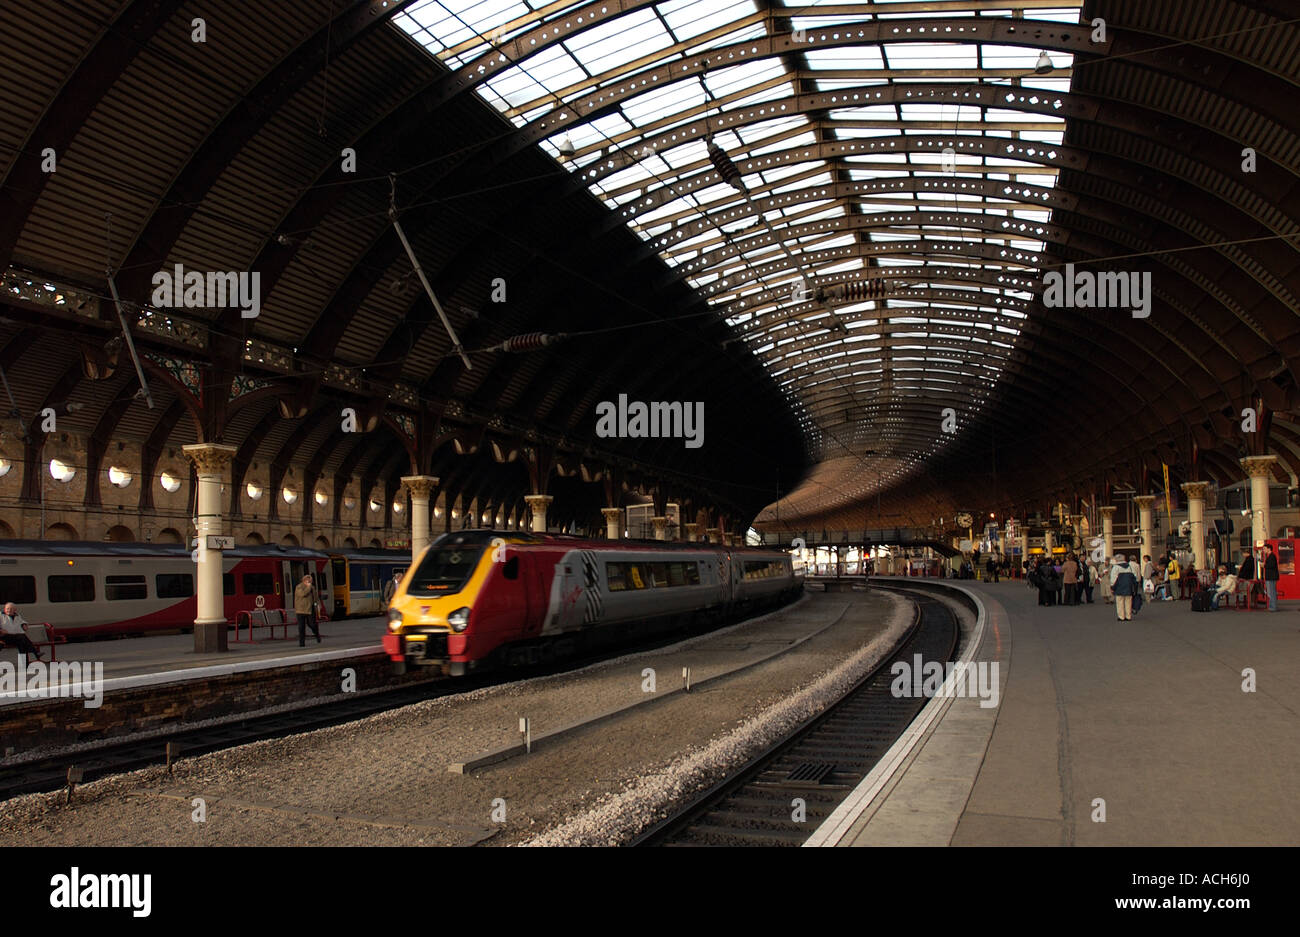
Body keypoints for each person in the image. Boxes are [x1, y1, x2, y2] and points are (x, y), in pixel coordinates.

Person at [1110, 553, 1140, 621]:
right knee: (1128, 601)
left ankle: (1121, 616)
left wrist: (1112, 587)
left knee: (1120, 602)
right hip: (1128, 587)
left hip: (1119, 587)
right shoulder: (1129, 566)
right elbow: (1134, 576)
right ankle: (1128, 616)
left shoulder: (1116, 567)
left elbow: (1113, 579)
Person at [294, 574, 321, 646]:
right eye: (308, 581)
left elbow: (315, 597)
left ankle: (317, 634)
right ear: (304, 581)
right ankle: (302, 643)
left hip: (310, 609)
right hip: (300, 610)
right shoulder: (299, 587)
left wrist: (317, 605)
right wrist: (308, 587)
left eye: (310, 581)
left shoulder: (312, 588)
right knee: (301, 627)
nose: (309, 582)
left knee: (312, 624)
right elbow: (302, 594)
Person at [1264, 544, 1280, 612]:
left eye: (1264, 548)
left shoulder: (1272, 556)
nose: (1263, 550)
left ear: (1269, 549)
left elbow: (1271, 565)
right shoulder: (1270, 556)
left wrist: (1264, 565)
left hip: (1271, 577)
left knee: (1272, 592)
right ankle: (1271, 606)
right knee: (1270, 592)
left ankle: (1273, 607)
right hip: (1270, 577)